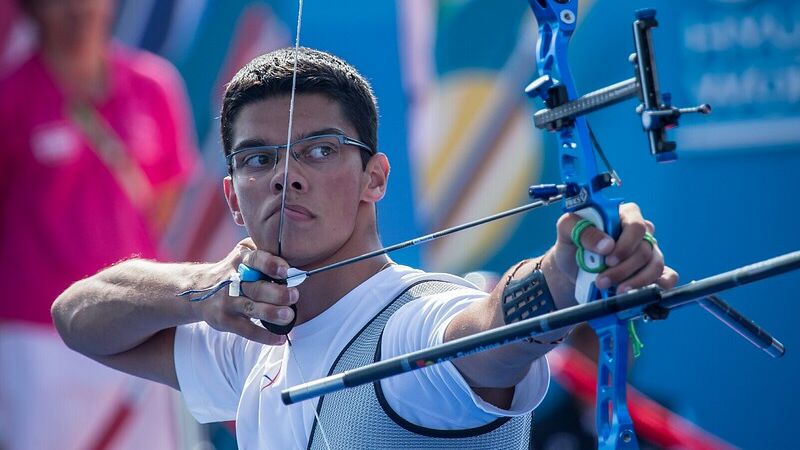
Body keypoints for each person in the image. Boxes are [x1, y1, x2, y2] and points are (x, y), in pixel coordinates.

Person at [52, 47, 677, 449]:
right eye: (258, 159)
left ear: (375, 177)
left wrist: (573, 265)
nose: (284, 174)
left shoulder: (410, 323)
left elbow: (487, 330)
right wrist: (203, 293)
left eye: (319, 149)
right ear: (233, 196)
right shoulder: (253, 342)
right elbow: (77, 318)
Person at [0, 0, 198, 449]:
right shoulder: (10, 98)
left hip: (139, 325)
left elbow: (166, 197)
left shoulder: (154, 86)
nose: (78, 8)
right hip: (36, 334)